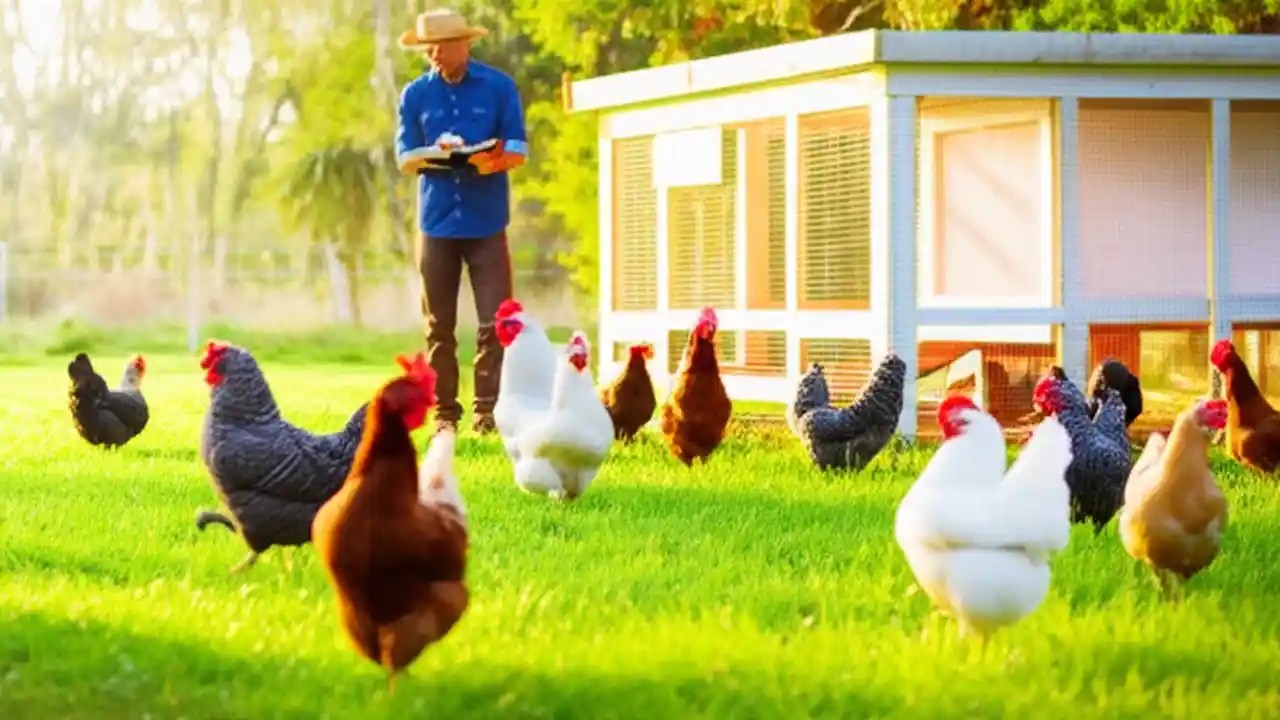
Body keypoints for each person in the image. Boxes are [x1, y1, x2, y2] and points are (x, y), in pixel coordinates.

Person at [396, 8, 528, 435]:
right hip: (436, 225)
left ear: (463, 44)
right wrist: (437, 154)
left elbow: (517, 150)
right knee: (439, 325)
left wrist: (485, 162)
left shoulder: (499, 87)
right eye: (426, 48)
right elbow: (406, 157)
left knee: (496, 321)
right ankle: (444, 414)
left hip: (487, 223)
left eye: (438, 46)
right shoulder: (414, 95)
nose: (432, 54)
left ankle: (487, 412)